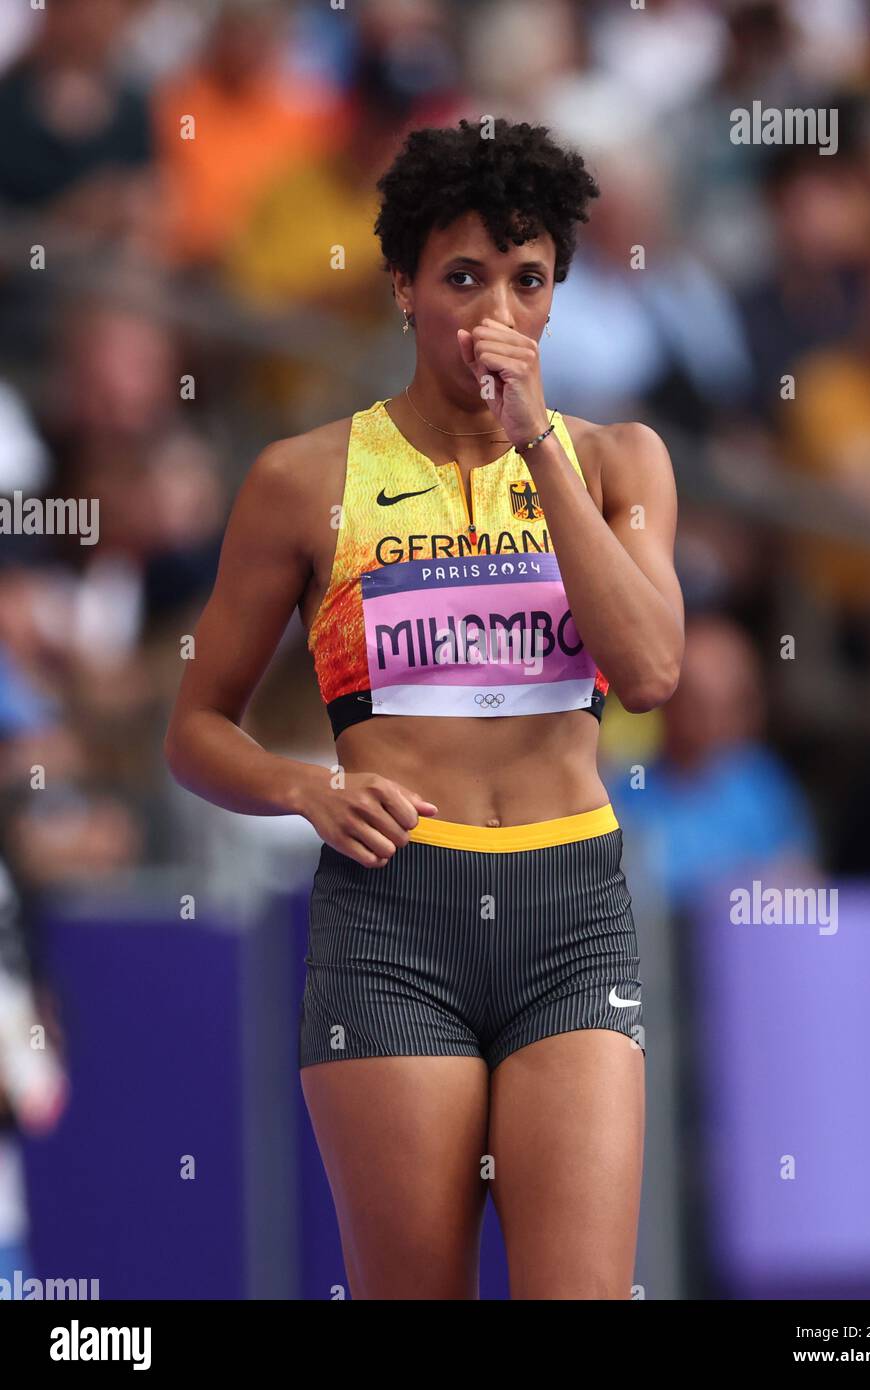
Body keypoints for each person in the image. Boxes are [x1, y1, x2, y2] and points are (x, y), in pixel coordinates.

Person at [164, 118, 684, 1300]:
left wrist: (536, 446)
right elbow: (194, 728)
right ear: (402, 287)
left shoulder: (616, 462)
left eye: (527, 279)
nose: (494, 310)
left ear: (557, 297)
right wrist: (305, 784)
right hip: (396, 920)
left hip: (571, 912)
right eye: (462, 277)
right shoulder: (303, 478)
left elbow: (650, 672)